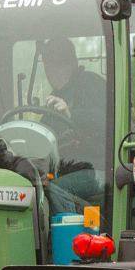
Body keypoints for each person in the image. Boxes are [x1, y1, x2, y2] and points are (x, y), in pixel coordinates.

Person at [34, 36, 107, 211]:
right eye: (48, 66)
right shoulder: (55, 98)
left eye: (59, 63)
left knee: (53, 190)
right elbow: (44, 135)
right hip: (66, 170)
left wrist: (71, 114)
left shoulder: (91, 84)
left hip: (99, 168)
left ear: (72, 62)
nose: (52, 71)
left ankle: (70, 235)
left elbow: (107, 119)